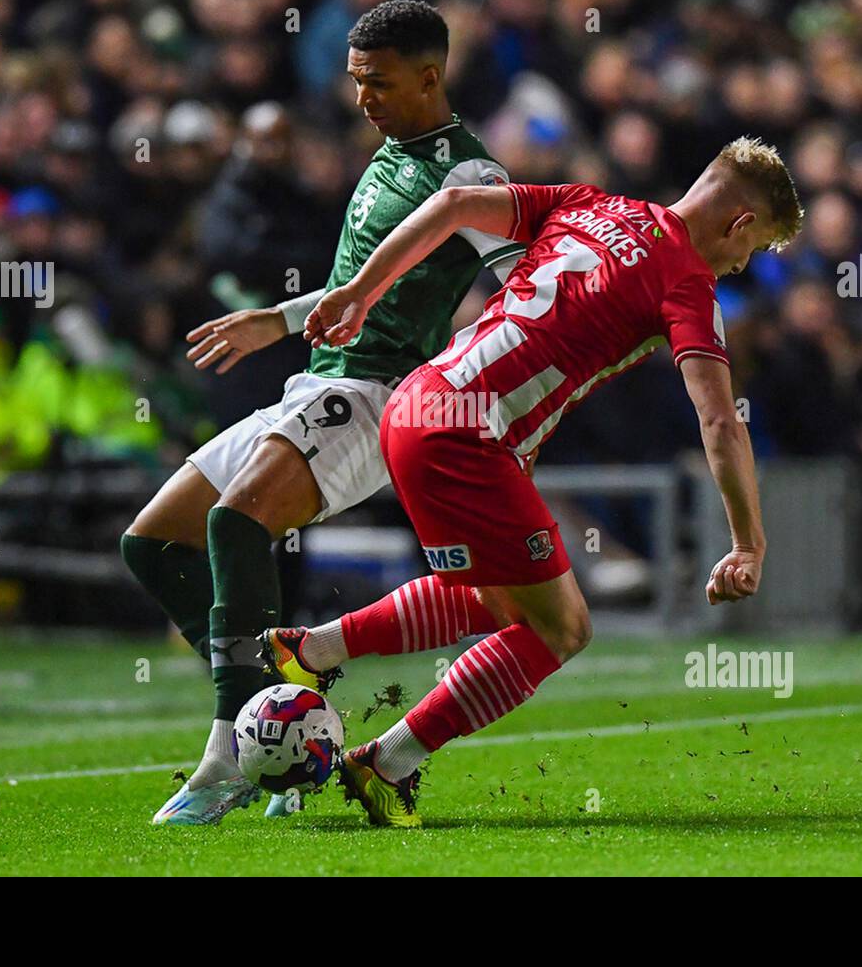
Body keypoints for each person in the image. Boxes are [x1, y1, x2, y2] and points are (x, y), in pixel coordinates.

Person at [264, 136, 803, 826]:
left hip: (419, 404)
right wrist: (749, 543)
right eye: (750, 252)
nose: (738, 265)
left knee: (498, 600)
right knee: (561, 628)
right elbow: (722, 422)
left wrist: (358, 293)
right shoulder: (686, 282)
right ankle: (384, 763)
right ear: (740, 224)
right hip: (467, 438)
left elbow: (454, 203)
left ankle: (311, 650)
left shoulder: (588, 201)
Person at [126, 0, 524, 825]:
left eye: (378, 83)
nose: (363, 98)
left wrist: (470, 374)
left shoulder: (471, 177)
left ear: (430, 76)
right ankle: (285, 722)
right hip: (317, 378)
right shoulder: (387, 155)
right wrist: (273, 321)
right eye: (354, 83)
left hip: (375, 396)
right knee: (150, 542)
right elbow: (360, 288)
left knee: (236, 525)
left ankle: (231, 754)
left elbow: (529, 283)